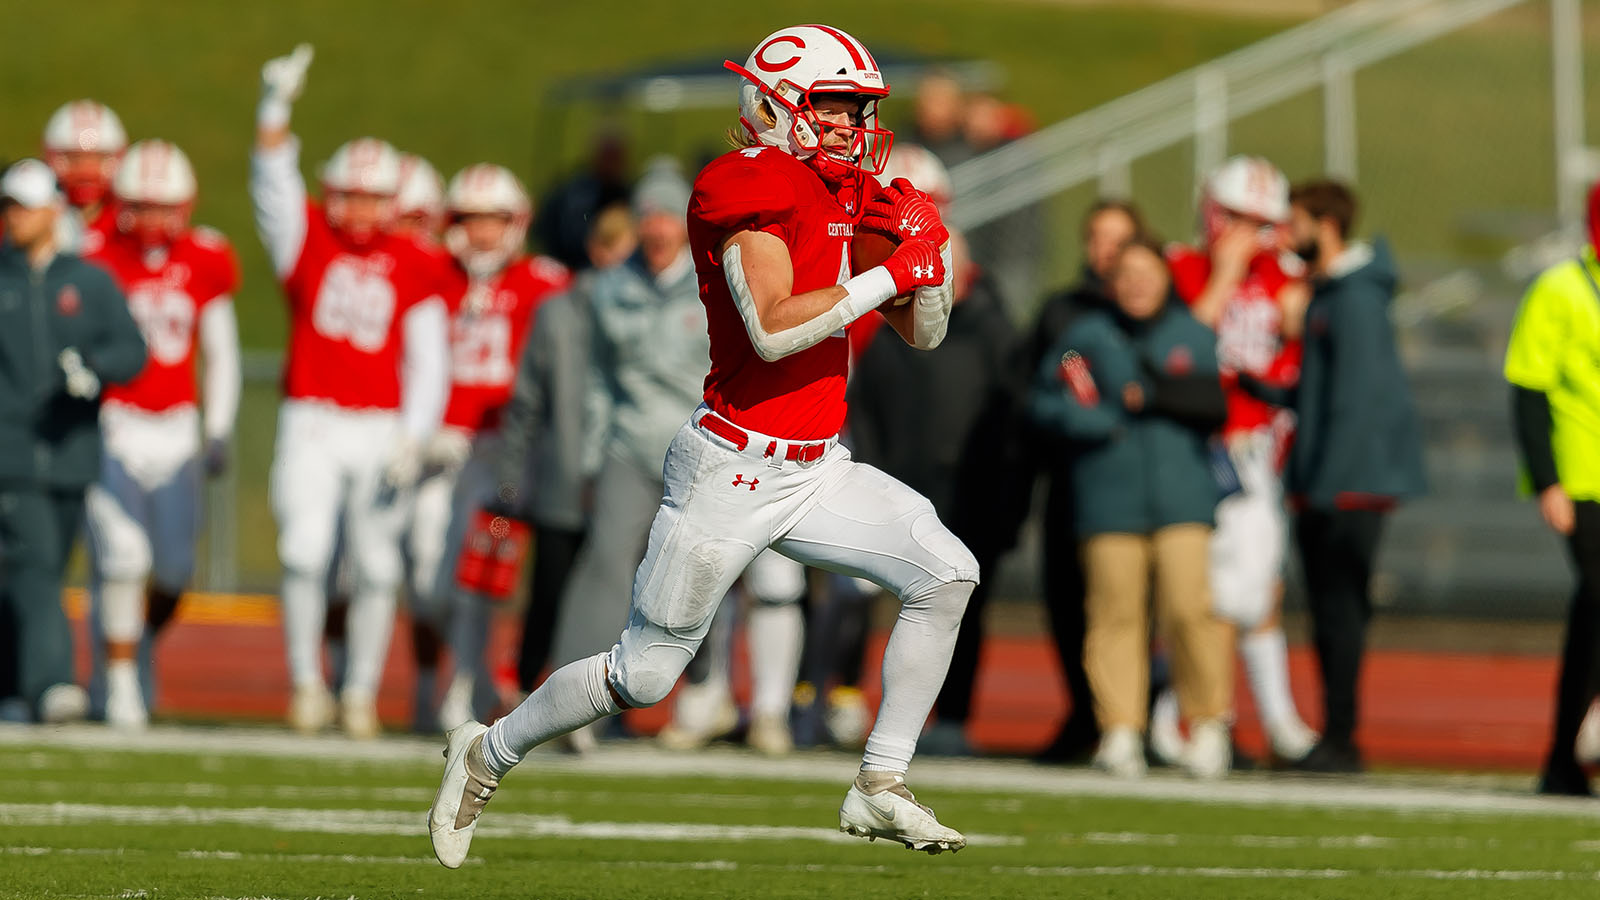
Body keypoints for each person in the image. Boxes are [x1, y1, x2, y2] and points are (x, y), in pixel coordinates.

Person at [430, 24, 972, 865]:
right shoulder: (744, 185)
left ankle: (879, 785)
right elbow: (771, 331)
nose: (850, 126)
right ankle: (489, 750)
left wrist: (925, 255)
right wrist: (890, 274)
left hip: (816, 464)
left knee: (947, 573)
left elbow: (923, 333)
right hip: (733, 468)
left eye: (859, 108)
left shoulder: (847, 191)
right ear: (773, 105)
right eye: (833, 106)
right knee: (643, 675)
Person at [250, 44, 450, 738]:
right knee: (304, 551)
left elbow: (430, 361)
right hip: (311, 418)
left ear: (393, 200)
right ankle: (308, 683)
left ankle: (360, 690)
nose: (360, 207)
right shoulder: (308, 241)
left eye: (372, 195)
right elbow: (272, 183)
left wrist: (415, 436)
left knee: (374, 564)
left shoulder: (416, 261)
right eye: (351, 193)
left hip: (379, 425)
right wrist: (274, 109)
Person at [1029, 238, 1232, 780]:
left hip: (1183, 500)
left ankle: (1208, 723)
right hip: (1108, 500)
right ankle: (1120, 728)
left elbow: (1216, 405)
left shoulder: (1191, 332)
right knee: (1114, 615)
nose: (1138, 284)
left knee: (1190, 610)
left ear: (1165, 278)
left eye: (1148, 272)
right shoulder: (1085, 338)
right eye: (1127, 274)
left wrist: (1156, 396)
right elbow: (1045, 401)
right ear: (1111, 283)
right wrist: (1097, 423)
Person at [847, 228, 1028, 756]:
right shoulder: (892, 333)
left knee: (961, 608)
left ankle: (952, 716)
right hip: (900, 492)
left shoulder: (994, 331)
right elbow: (866, 410)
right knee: (879, 606)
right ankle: (859, 709)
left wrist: (1007, 500)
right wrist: (871, 476)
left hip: (972, 498)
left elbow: (1013, 426)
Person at [1163, 155, 1318, 766]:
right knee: (1198, 592)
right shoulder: (1182, 267)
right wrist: (1224, 276)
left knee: (1259, 589)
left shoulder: (1286, 278)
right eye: (1235, 217)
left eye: (1256, 222)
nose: (1244, 232)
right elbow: (1185, 346)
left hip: (1255, 450)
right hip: (1193, 445)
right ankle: (1188, 717)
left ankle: (1269, 721)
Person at [82, 140, 241, 730]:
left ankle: (138, 644)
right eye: (142, 206)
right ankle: (120, 680)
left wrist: (219, 429)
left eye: (163, 206)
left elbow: (221, 354)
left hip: (176, 426)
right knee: (123, 557)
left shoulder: (206, 256)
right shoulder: (96, 254)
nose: (152, 219)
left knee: (174, 567)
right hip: (114, 421)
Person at [419, 163, 570, 731]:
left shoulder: (543, 281)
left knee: (490, 574)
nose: (481, 232)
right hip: (446, 449)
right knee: (436, 581)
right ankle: (471, 679)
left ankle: (470, 689)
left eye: (493, 219)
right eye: (471, 219)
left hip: (511, 456)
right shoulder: (436, 274)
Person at [0, 158, 145, 722]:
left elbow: (132, 349)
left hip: (70, 453)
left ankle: (10, 684)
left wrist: (94, 367)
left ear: (52, 211)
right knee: (35, 564)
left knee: (39, 572)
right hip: (11, 454)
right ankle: (52, 683)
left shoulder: (88, 281)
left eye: (22, 206)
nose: (12, 217)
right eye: (8, 206)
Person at [495, 205, 636, 696]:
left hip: (624, 478)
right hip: (564, 476)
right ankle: (522, 685)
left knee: (617, 593)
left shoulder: (643, 314)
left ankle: (596, 701)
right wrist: (510, 481)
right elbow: (527, 404)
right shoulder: (556, 314)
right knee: (550, 593)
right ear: (596, 251)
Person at [1028, 199, 1146, 763]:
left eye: (1120, 239)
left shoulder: (1156, 313)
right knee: (1068, 602)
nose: (1108, 251)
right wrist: (1098, 419)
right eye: (1098, 237)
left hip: (1139, 487)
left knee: (1137, 604)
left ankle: (1144, 717)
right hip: (1072, 477)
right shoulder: (1063, 313)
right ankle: (1086, 713)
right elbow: (1038, 390)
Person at [1504, 181, 1600, 795]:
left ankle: (1565, 758)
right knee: (1598, 596)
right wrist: (1547, 482)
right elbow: (1529, 387)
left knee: (1592, 614)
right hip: (1582, 477)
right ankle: (1567, 753)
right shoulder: (1561, 287)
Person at [42, 100, 127, 254]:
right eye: (74, 158)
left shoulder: (127, 223)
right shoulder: (36, 218)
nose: (86, 172)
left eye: (98, 159)